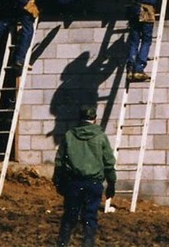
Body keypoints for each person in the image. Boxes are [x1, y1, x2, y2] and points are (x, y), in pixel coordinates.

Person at [53, 105, 116, 247]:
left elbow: (60, 160)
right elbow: (109, 163)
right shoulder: (101, 137)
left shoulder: (69, 135)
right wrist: (111, 183)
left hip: (73, 182)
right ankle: (88, 244)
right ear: (95, 119)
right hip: (93, 183)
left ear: (79, 118)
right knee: (90, 217)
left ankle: (62, 244)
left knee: (69, 216)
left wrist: (57, 180)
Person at [123, 0, 163, 83]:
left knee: (134, 39)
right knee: (146, 39)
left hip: (133, 8)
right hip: (146, 9)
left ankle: (130, 68)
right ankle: (139, 69)